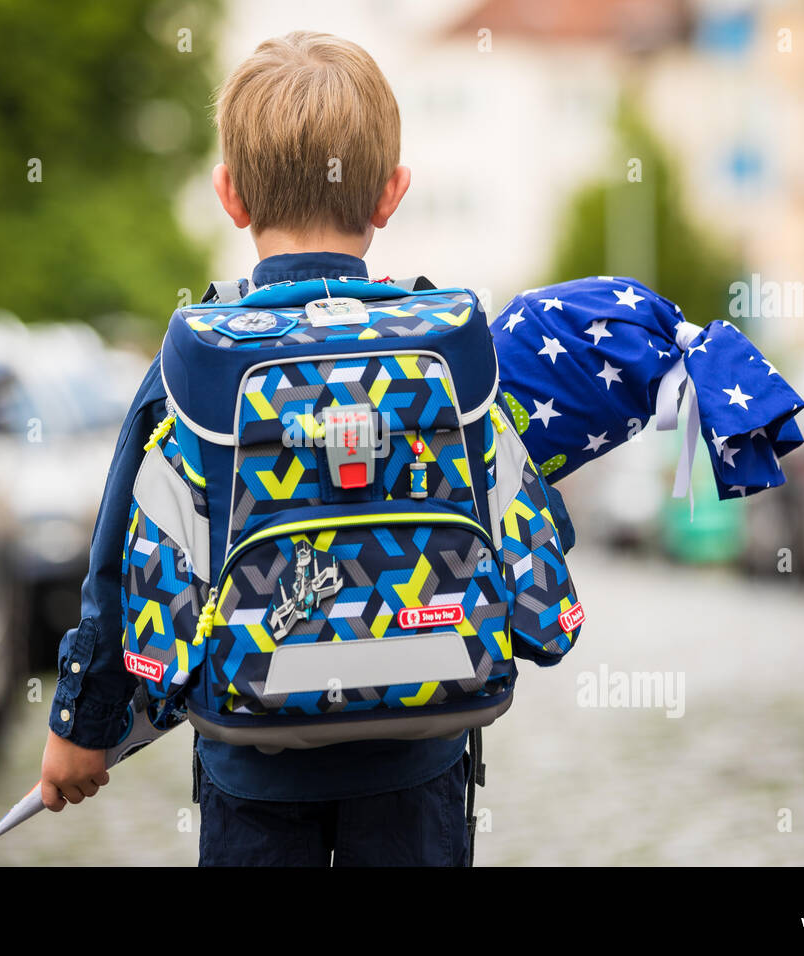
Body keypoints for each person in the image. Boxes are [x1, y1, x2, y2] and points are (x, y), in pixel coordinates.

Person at [38, 30, 555, 866]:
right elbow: (521, 519)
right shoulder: (450, 347)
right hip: (421, 754)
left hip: (252, 757)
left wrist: (83, 726)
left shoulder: (199, 358)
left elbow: (114, 560)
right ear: (391, 195)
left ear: (230, 195)